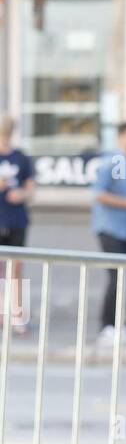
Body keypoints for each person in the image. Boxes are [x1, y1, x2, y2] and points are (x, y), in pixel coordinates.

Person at [91, 120, 126, 348]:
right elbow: (100, 193)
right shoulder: (118, 162)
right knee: (116, 276)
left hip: (124, 231)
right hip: (110, 228)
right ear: (121, 138)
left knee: (121, 277)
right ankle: (107, 327)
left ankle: (116, 325)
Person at [0, 114, 35, 337]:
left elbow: (31, 189)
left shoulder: (21, 157)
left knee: (17, 268)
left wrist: (21, 194)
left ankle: (18, 317)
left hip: (16, 219)